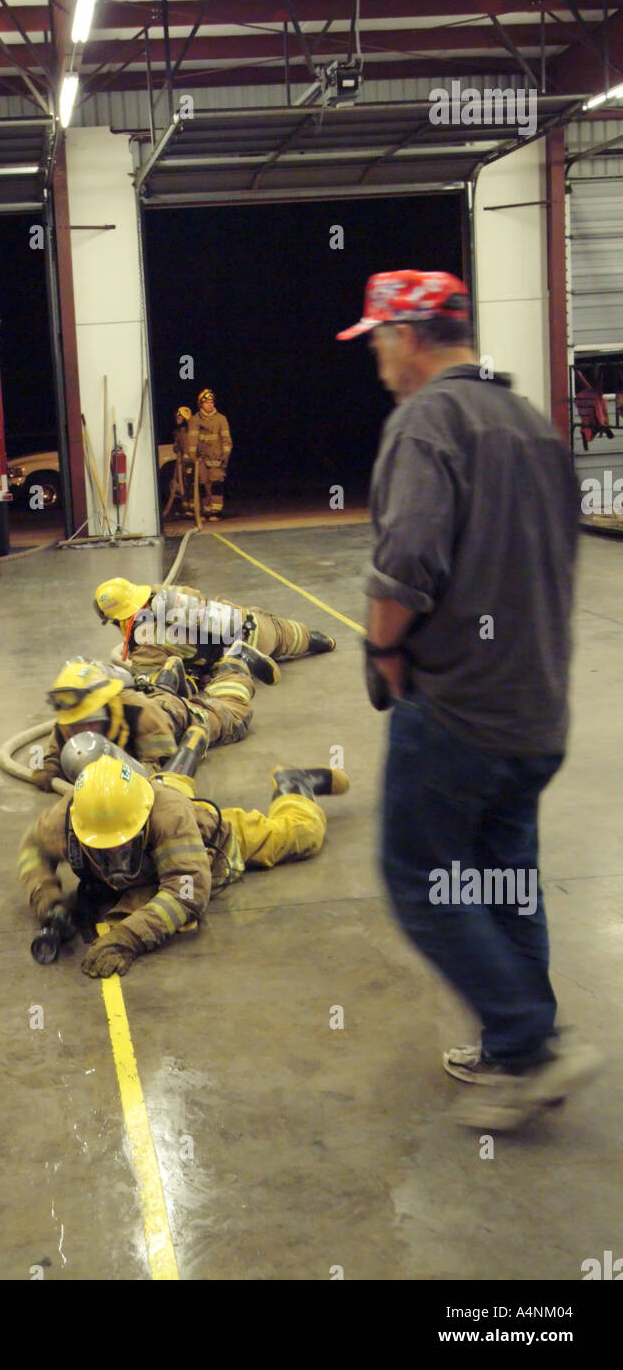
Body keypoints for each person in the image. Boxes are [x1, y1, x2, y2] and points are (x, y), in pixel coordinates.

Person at [337, 267, 602, 1131]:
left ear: (409, 336)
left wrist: (383, 653)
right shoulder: (531, 424)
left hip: (457, 713)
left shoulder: (427, 422)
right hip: (535, 713)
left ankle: (529, 1044)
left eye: (379, 338)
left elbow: (406, 561)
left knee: (416, 877)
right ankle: (514, 1043)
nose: (375, 357)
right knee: (503, 878)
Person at [18, 739, 349, 977]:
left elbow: (186, 892)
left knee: (302, 834)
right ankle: (180, 765)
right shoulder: (73, 812)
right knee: (169, 790)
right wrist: (49, 904)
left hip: (209, 836)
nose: (113, 853)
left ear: (141, 818)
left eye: (121, 842)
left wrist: (128, 938)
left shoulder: (168, 817)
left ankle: (295, 784)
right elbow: (32, 849)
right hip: (161, 798)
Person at [32, 642, 277, 792]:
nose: (84, 731)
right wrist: (48, 768)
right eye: (78, 724)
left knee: (234, 713)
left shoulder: (142, 714)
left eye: (91, 722)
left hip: (179, 718)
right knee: (157, 695)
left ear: (106, 706)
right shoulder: (72, 718)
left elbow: (158, 770)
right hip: (152, 697)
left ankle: (238, 660)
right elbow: (51, 755)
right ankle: (171, 672)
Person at [93, 576, 335, 681]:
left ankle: (245, 657)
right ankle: (317, 640)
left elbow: (156, 680)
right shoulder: (165, 595)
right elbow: (200, 599)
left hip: (230, 660)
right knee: (284, 633)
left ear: (118, 619)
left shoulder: (143, 645)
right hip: (253, 625)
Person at [187, 388, 231, 517]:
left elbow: (227, 440)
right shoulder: (195, 420)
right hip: (202, 459)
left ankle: (216, 511)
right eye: (207, 402)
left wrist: (225, 455)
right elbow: (192, 439)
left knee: (216, 483)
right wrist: (192, 456)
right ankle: (206, 510)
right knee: (203, 484)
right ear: (201, 404)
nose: (210, 404)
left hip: (217, 458)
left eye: (212, 402)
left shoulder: (221, 419)